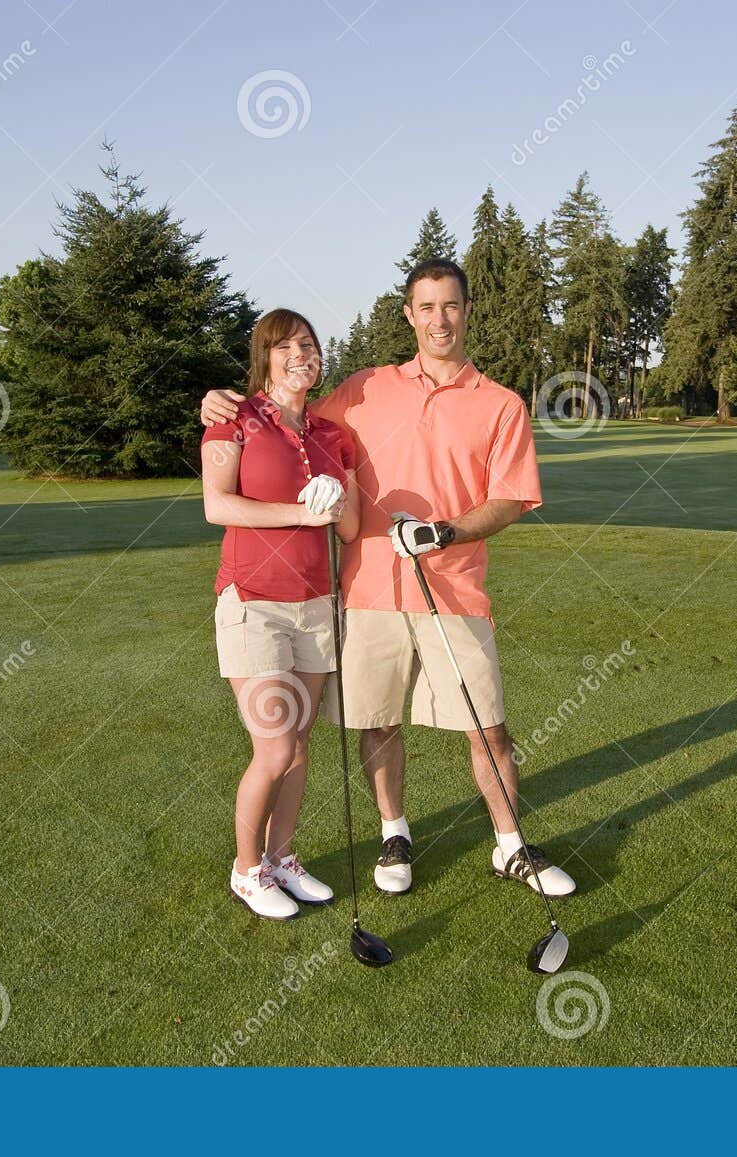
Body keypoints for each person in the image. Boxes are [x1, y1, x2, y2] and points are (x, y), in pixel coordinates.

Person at [201, 260, 576, 899]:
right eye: (425, 307)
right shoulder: (365, 388)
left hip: (454, 588)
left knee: (488, 726)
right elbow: (286, 414)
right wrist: (219, 402)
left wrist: (446, 532)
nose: (439, 320)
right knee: (378, 722)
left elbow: (511, 498)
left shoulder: (501, 404)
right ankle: (393, 832)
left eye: (450, 306)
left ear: (466, 310)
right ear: (409, 315)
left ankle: (509, 846)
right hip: (367, 589)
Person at [201, 308, 358, 920]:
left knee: (298, 747)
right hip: (254, 604)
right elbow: (218, 505)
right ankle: (247, 870)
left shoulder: (330, 434)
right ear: (265, 356)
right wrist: (300, 512)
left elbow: (348, 527)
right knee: (272, 750)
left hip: (316, 606)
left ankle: (282, 859)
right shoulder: (233, 418)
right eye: (288, 345)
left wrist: (335, 498)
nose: (303, 354)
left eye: (311, 345)